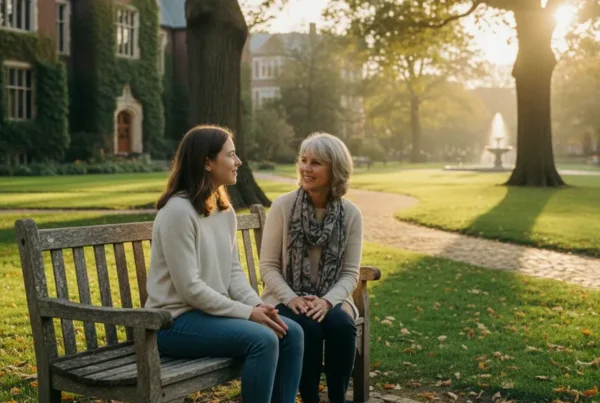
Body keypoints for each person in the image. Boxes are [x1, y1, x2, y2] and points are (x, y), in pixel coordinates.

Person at [145, 125, 304, 403]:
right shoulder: (177, 213)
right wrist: (247, 313)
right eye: (231, 155)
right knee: (263, 340)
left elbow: (233, 273)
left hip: (207, 317)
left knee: (291, 332)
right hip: (172, 323)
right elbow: (189, 289)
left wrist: (257, 307)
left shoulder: (224, 209)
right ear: (207, 162)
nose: (238, 161)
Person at [259, 132, 363, 403]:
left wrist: (327, 302)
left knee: (341, 324)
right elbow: (268, 267)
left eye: (316, 162)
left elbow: (351, 273)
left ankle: (338, 398)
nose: (306, 168)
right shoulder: (283, 207)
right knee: (308, 327)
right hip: (285, 298)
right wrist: (292, 298)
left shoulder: (351, 214)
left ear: (335, 170)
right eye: (303, 160)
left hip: (333, 298)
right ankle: (309, 398)